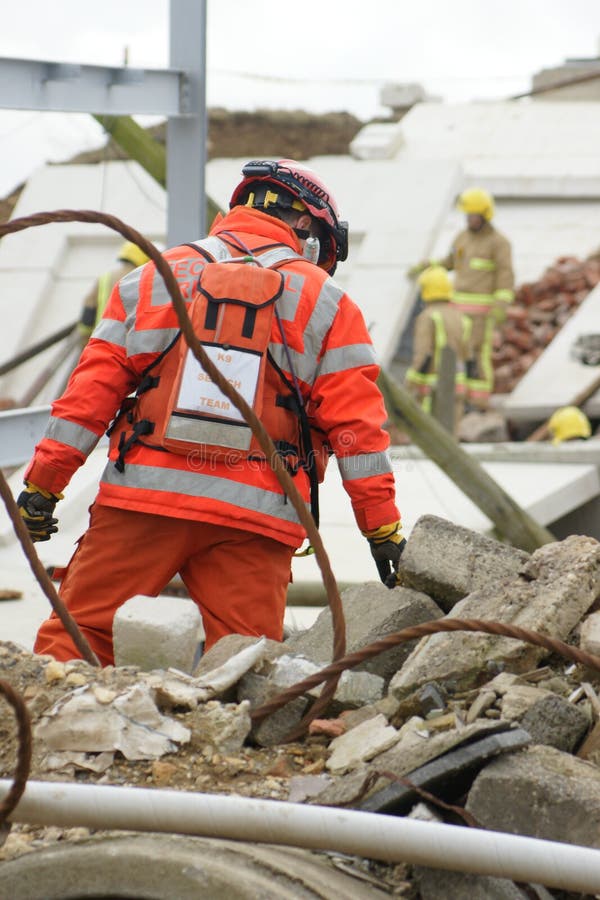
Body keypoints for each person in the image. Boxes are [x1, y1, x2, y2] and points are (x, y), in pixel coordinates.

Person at [16, 158, 404, 666]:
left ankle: (53, 719)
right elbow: (357, 432)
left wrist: (43, 485)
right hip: (258, 514)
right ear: (305, 223)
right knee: (247, 665)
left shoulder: (151, 278)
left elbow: (88, 397)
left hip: (143, 499)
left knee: (80, 635)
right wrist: (381, 529)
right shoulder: (328, 303)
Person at [410, 187, 514, 411]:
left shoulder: (498, 243)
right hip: (457, 312)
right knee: (455, 353)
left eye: (473, 215)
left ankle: (478, 401)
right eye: (467, 215)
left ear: (485, 215)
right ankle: (458, 399)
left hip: (481, 315)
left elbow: (505, 275)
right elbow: (450, 262)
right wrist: (428, 266)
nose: (469, 219)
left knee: (478, 355)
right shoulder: (462, 238)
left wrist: (501, 304)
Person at [405, 265, 468, 434]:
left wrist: (410, 383)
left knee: (430, 436)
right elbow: (467, 354)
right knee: (450, 437)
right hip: (458, 388)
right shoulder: (460, 317)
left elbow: (422, 354)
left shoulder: (427, 316)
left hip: (433, 392)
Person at [77, 241, 151, 348]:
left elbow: (89, 307)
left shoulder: (105, 278)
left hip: (102, 338)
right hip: (130, 343)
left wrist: (85, 337)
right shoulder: (144, 279)